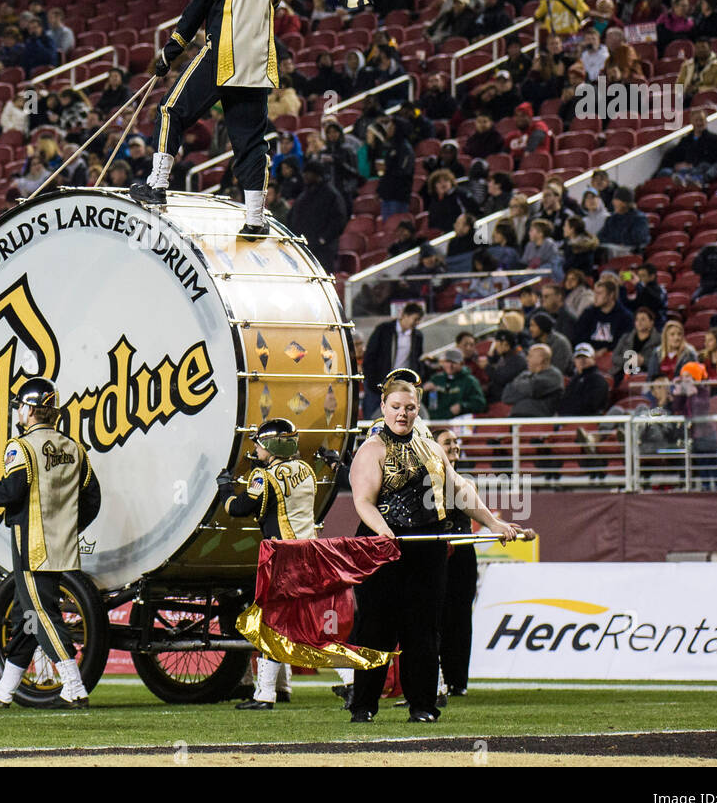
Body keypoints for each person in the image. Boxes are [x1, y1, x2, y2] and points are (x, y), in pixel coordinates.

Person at [347, 373, 520, 724]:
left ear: (418, 409)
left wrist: (493, 523)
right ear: (383, 407)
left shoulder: (432, 448)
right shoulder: (371, 450)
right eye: (396, 407)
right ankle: (363, 705)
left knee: (424, 628)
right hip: (382, 547)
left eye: (410, 408)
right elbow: (363, 501)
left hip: (428, 547)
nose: (403, 413)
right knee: (376, 627)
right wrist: (384, 532)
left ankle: (423, 705)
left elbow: (459, 490)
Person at [129, 0, 290, 237]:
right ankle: (255, 220)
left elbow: (196, 10)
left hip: (222, 56)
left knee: (170, 110)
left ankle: (157, 185)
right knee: (251, 143)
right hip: (259, 64)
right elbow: (269, 5)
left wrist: (170, 52)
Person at [0, 377, 101, 709]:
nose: (18, 411)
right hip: (62, 547)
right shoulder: (74, 448)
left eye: (20, 406)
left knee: (41, 614)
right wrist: (67, 527)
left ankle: (74, 686)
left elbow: (10, 492)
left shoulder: (21, 447)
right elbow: (92, 499)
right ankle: (4, 690)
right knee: (25, 618)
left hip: (31, 546)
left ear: (30, 410)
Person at [216, 417, 348, 710]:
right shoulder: (305, 469)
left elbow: (238, 508)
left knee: (274, 625)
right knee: (307, 626)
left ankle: (266, 695)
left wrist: (225, 488)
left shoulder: (264, 476)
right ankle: (349, 683)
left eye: (260, 445)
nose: (257, 449)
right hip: (310, 553)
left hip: (284, 559)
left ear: (273, 445)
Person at [434, 429, 476, 700]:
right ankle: (437, 677)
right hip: (438, 552)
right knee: (436, 615)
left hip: (462, 552)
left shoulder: (466, 480)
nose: (454, 446)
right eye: (447, 442)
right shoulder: (427, 479)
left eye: (455, 442)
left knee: (460, 616)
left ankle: (458, 680)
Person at [361, 302, 424, 417]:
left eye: (419, 320)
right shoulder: (384, 330)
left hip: (401, 383)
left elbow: (417, 359)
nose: (417, 323)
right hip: (378, 382)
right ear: (404, 315)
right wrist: (372, 380)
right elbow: (370, 355)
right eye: (415, 319)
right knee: (372, 417)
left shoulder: (417, 336)